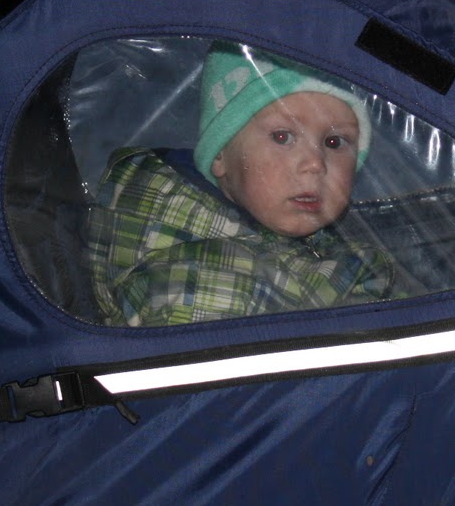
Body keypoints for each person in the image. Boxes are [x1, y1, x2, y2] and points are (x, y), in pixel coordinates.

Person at [86, 45, 398, 327]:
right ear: (219, 154)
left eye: (334, 142)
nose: (315, 164)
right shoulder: (197, 285)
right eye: (282, 136)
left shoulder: (259, 223)